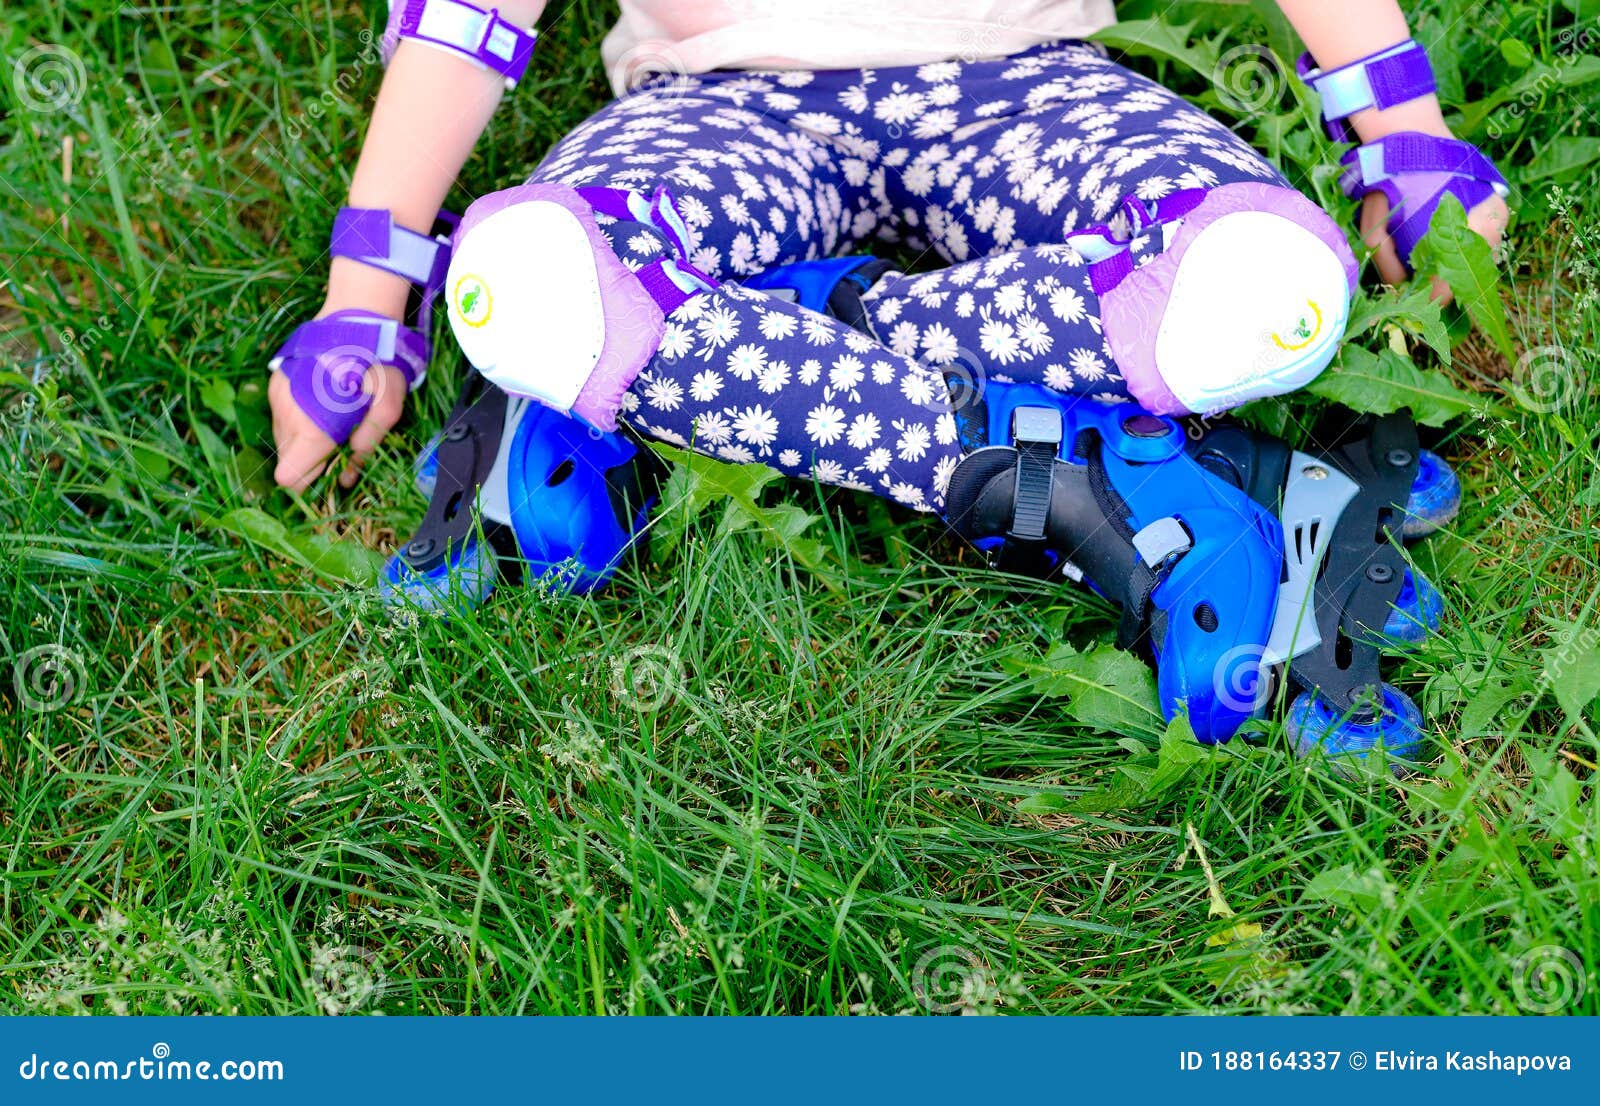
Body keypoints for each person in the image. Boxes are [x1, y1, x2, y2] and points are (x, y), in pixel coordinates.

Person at [268, 0, 1509, 508]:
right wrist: (364, 298)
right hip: (726, 112)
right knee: (519, 279)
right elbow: (469, 18)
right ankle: (1089, 494)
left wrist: (1403, 140)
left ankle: (755, 350)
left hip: (1023, 98)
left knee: (1274, 282)